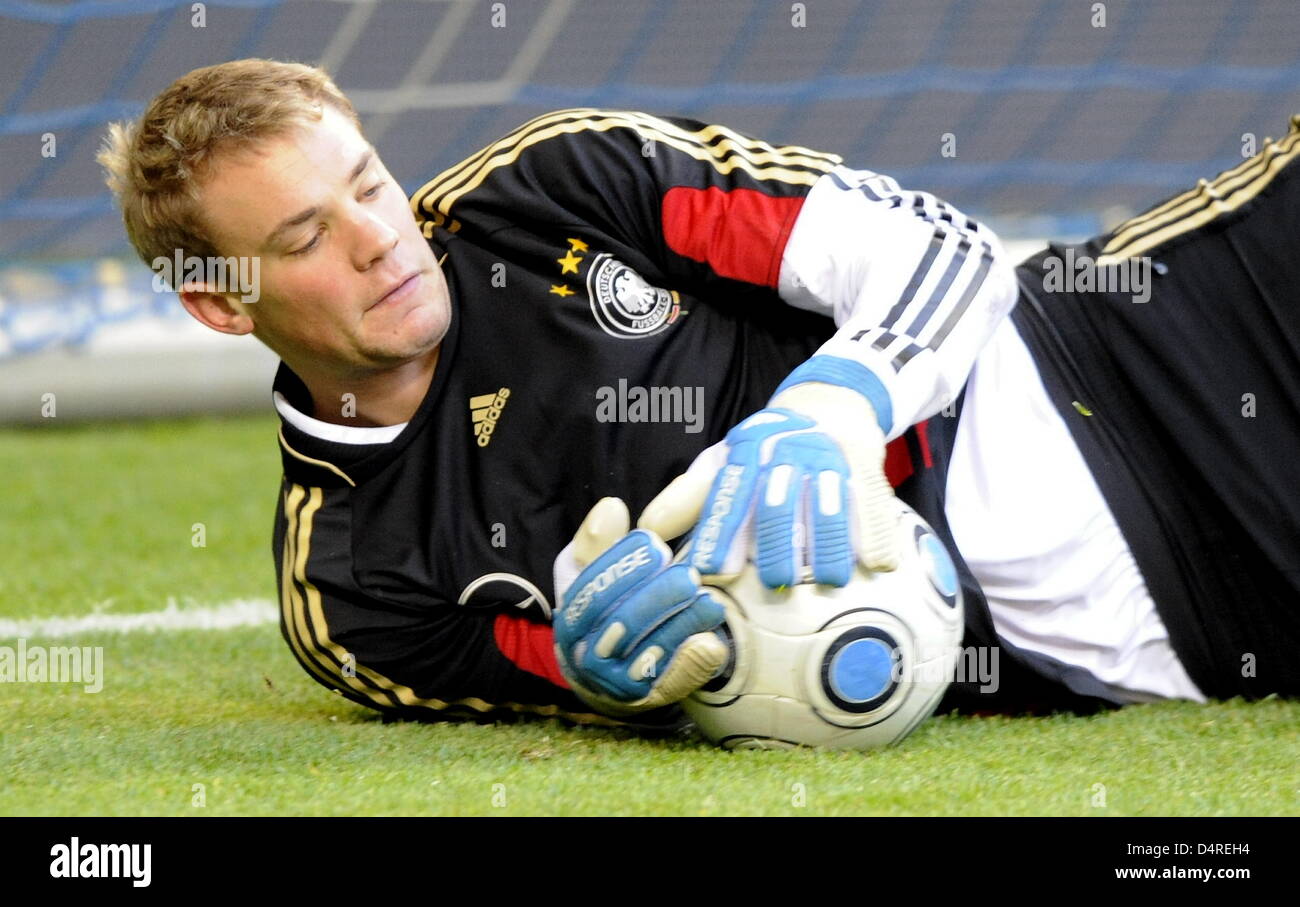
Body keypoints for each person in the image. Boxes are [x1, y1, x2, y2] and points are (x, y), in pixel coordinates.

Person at [99, 59, 1298, 729]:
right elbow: (605, 687)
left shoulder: (548, 189)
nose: (379, 238)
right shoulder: (357, 587)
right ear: (219, 300)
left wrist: (828, 407)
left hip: (1141, 352)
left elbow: (945, 252)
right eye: (310, 232)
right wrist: (631, 678)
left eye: (368, 181)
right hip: (1167, 628)